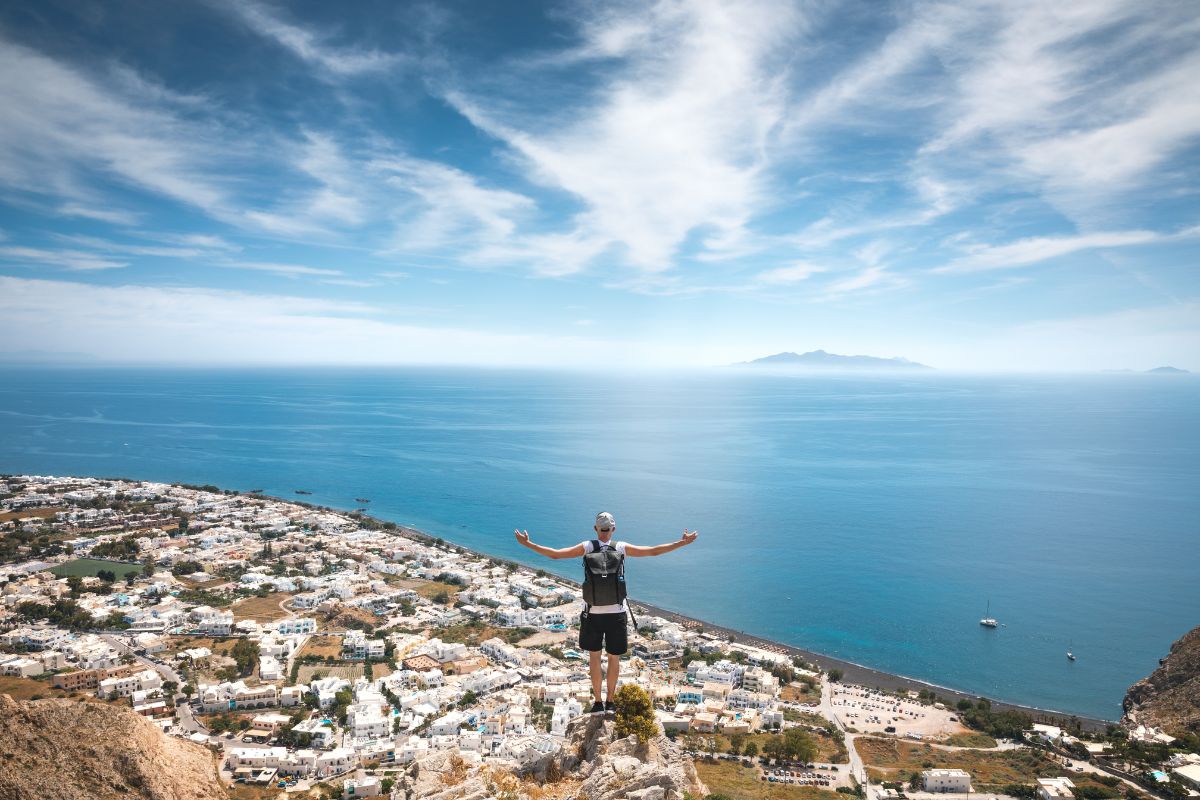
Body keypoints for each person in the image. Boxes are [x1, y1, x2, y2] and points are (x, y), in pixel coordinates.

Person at [514, 511, 698, 714]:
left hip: (592, 613)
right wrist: (681, 543)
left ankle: (597, 703)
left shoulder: (587, 547)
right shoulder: (621, 547)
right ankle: (610, 702)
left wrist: (528, 544)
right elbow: (653, 551)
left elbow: (555, 554)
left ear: (595, 529)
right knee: (613, 658)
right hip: (616, 613)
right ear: (613, 529)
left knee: (594, 658)